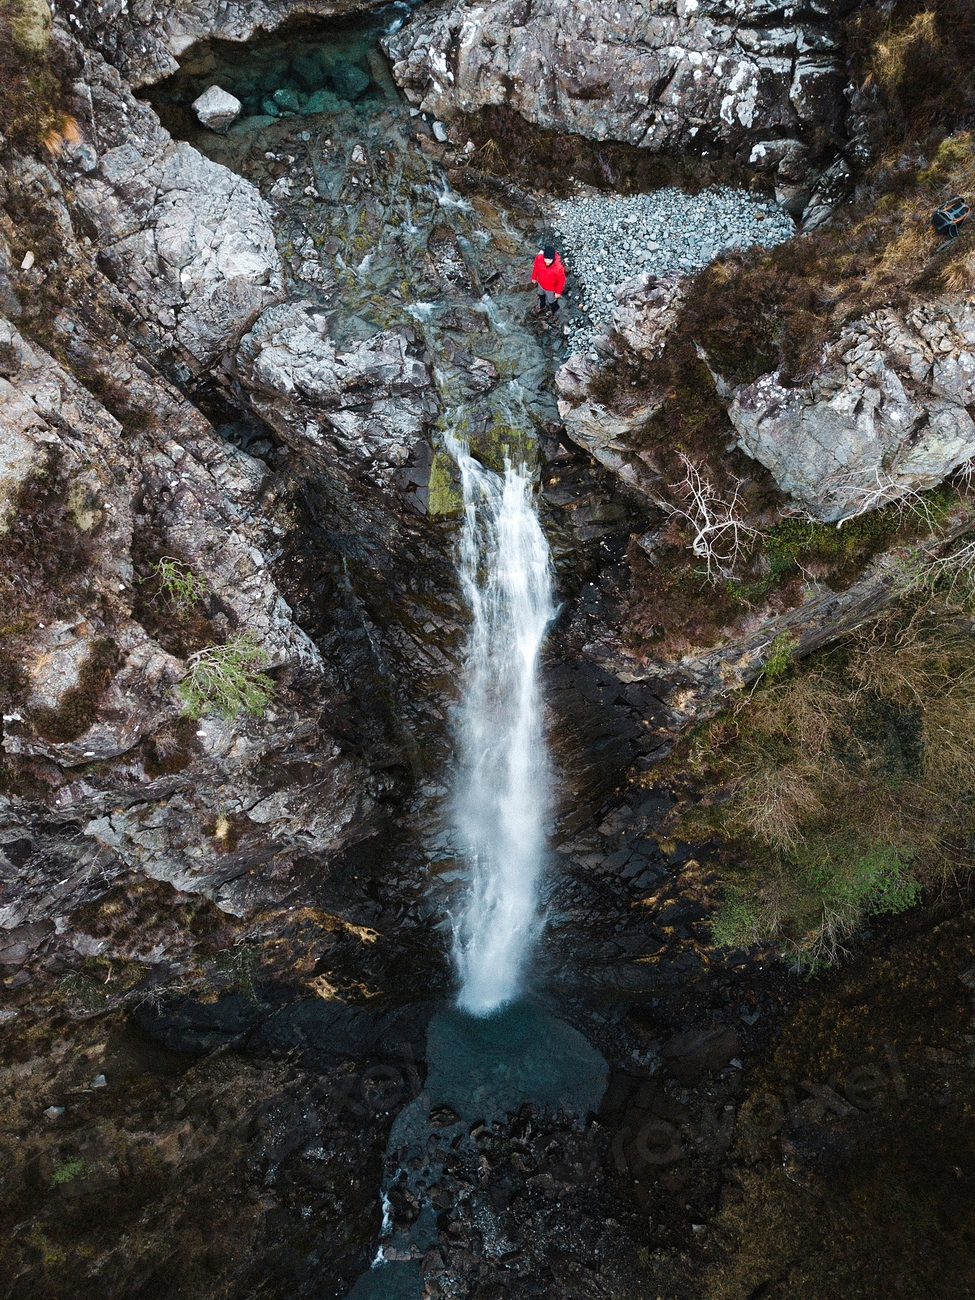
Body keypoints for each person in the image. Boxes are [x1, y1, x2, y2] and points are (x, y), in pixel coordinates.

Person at [531, 245, 566, 316]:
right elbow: (536, 268)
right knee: (541, 296)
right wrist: (534, 277)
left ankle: (556, 312)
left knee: (552, 301)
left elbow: (561, 281)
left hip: (551, 288)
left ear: (553, 258)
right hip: (541, 284)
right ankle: (541, 306)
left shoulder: (558, 267)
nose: (547, 262)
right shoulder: (539, 258)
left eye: (549, 260)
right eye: (546, 259)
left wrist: (558, 292)